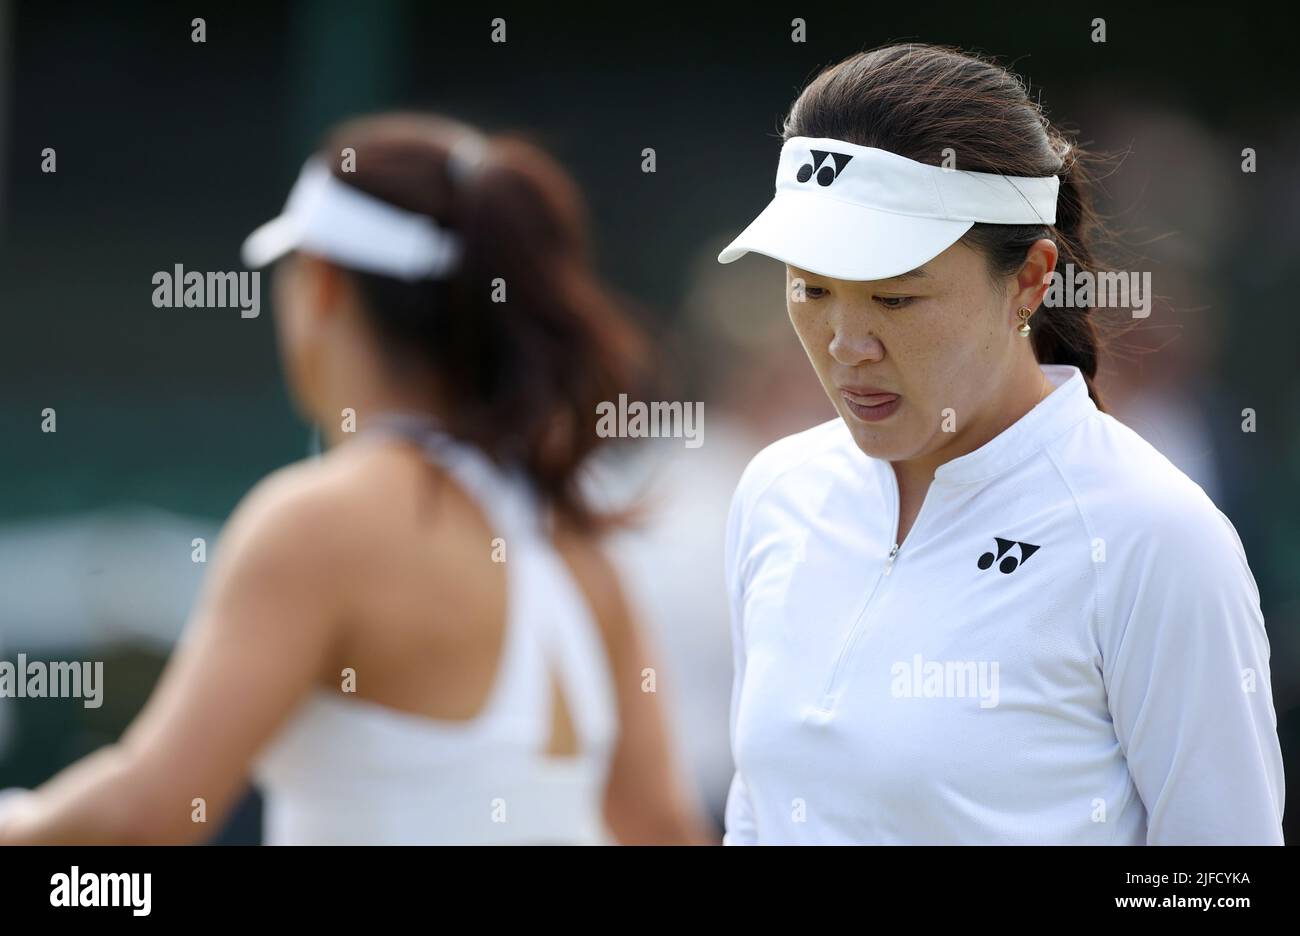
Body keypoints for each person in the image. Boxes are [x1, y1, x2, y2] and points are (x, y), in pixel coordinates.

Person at [0, 113, 708, 845]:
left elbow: (145, 817)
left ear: (324, 286)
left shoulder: (317, 524)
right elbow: (667, 831)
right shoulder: (579, 550)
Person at [715, 43, 1285, 844]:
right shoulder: (777, 491)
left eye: (896, 297)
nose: (846, 344)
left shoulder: (1151, 537)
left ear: (1029, 279)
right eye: (810, 288)